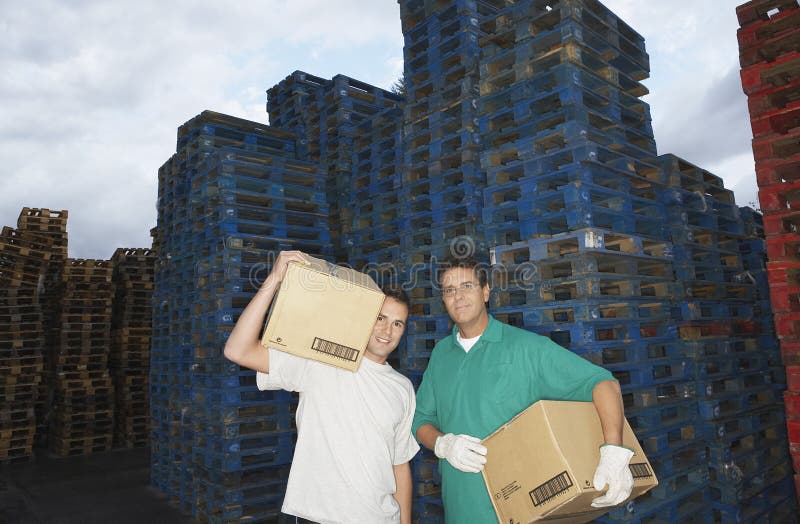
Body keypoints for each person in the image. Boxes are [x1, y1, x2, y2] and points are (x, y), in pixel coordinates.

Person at [412, 255, 634, 523]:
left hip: (519, 512)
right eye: (449, 290)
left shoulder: (525, 347)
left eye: (467, 286)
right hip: (459, 511)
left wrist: (613, 452)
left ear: (485, 292)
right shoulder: (441, 355)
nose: (458, 296)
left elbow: (604, 384)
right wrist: (443, 444)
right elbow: (421, 419)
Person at [223, 250, 419, 524]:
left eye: (398, 323)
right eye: (380, 318)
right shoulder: (321, 362)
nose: (387, 331)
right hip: (320, 518)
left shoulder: (402, 388)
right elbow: (238, 350)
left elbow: (400, 464)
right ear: (364, 316)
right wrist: (275, 278)